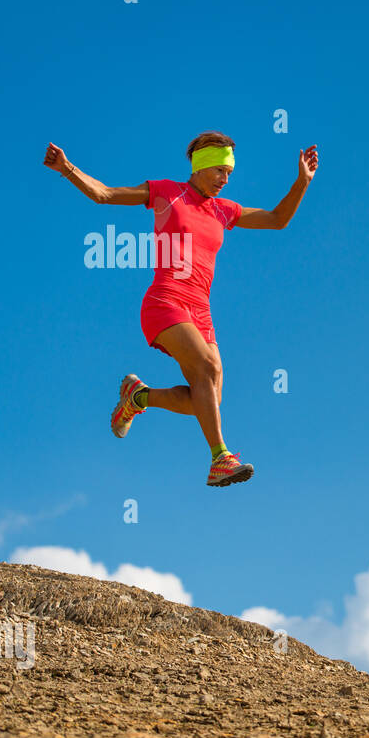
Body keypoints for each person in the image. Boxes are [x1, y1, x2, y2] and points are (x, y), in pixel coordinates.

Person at [43, 133, 318, 486]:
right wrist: (66, 167)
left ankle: (137, 396)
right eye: (220, 170)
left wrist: (301, 182)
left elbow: (278, 218)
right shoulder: (166, 193)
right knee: (205, 367)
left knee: (207, 401)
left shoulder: (224, 209)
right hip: (166, 300)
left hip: (202, 311)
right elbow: (105, 194)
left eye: (229, 173)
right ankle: (220, 458)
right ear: (201, 165)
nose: (225, 178)